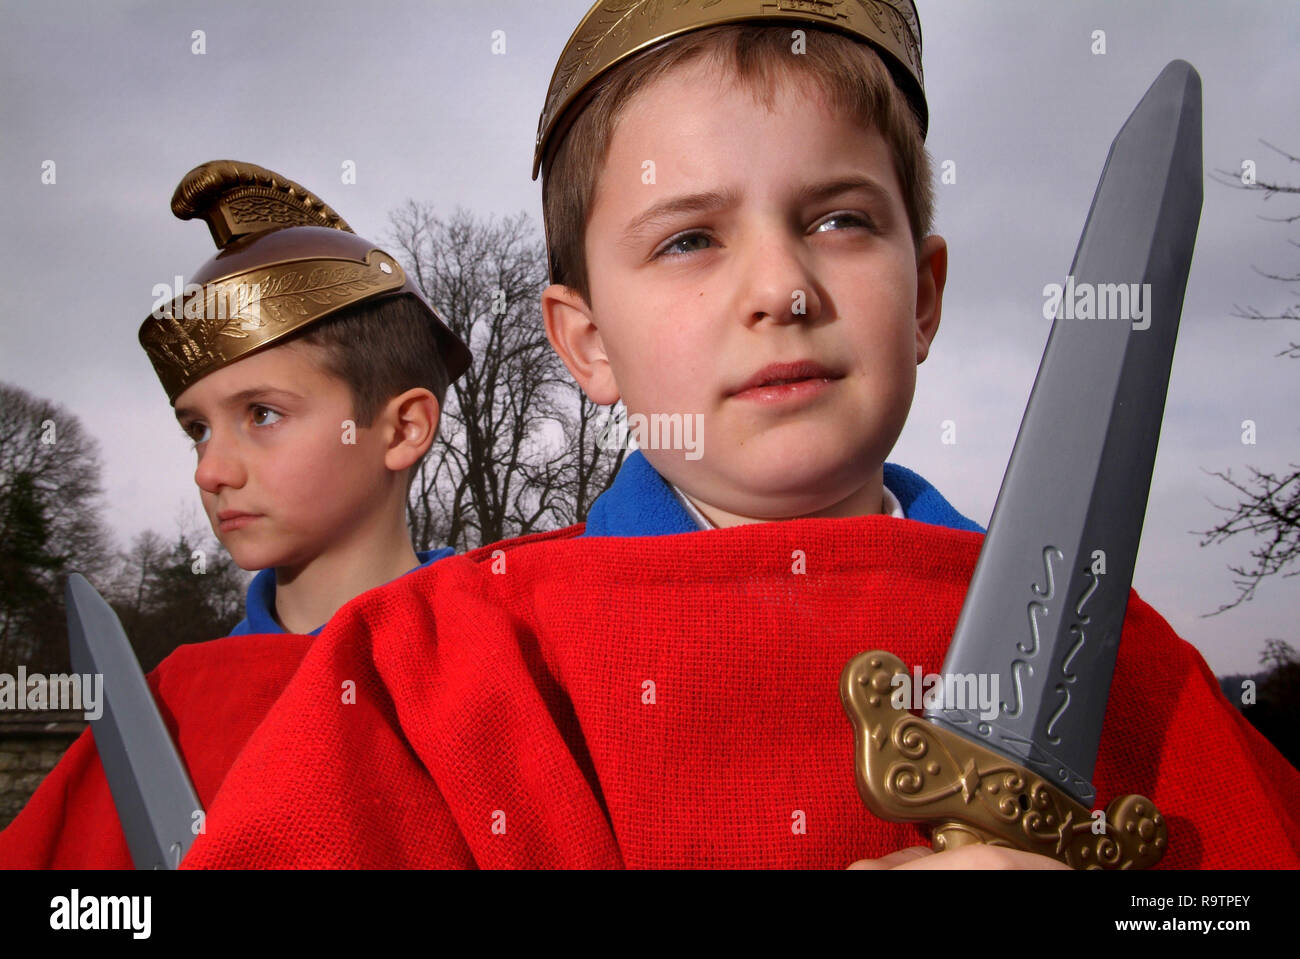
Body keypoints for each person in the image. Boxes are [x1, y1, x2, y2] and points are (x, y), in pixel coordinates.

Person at [176, 4, 1300, 868]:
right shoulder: (428, 669)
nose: (781, 286)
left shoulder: (1128, 657)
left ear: (924, 295)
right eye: (687, 241)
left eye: (840, 219)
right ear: (587, 341)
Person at [0, 160, 471, 867]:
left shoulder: (510, 666)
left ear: (402, 428)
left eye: (262, 413)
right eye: (198, 428)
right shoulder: (172, 704)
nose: (210, 469)